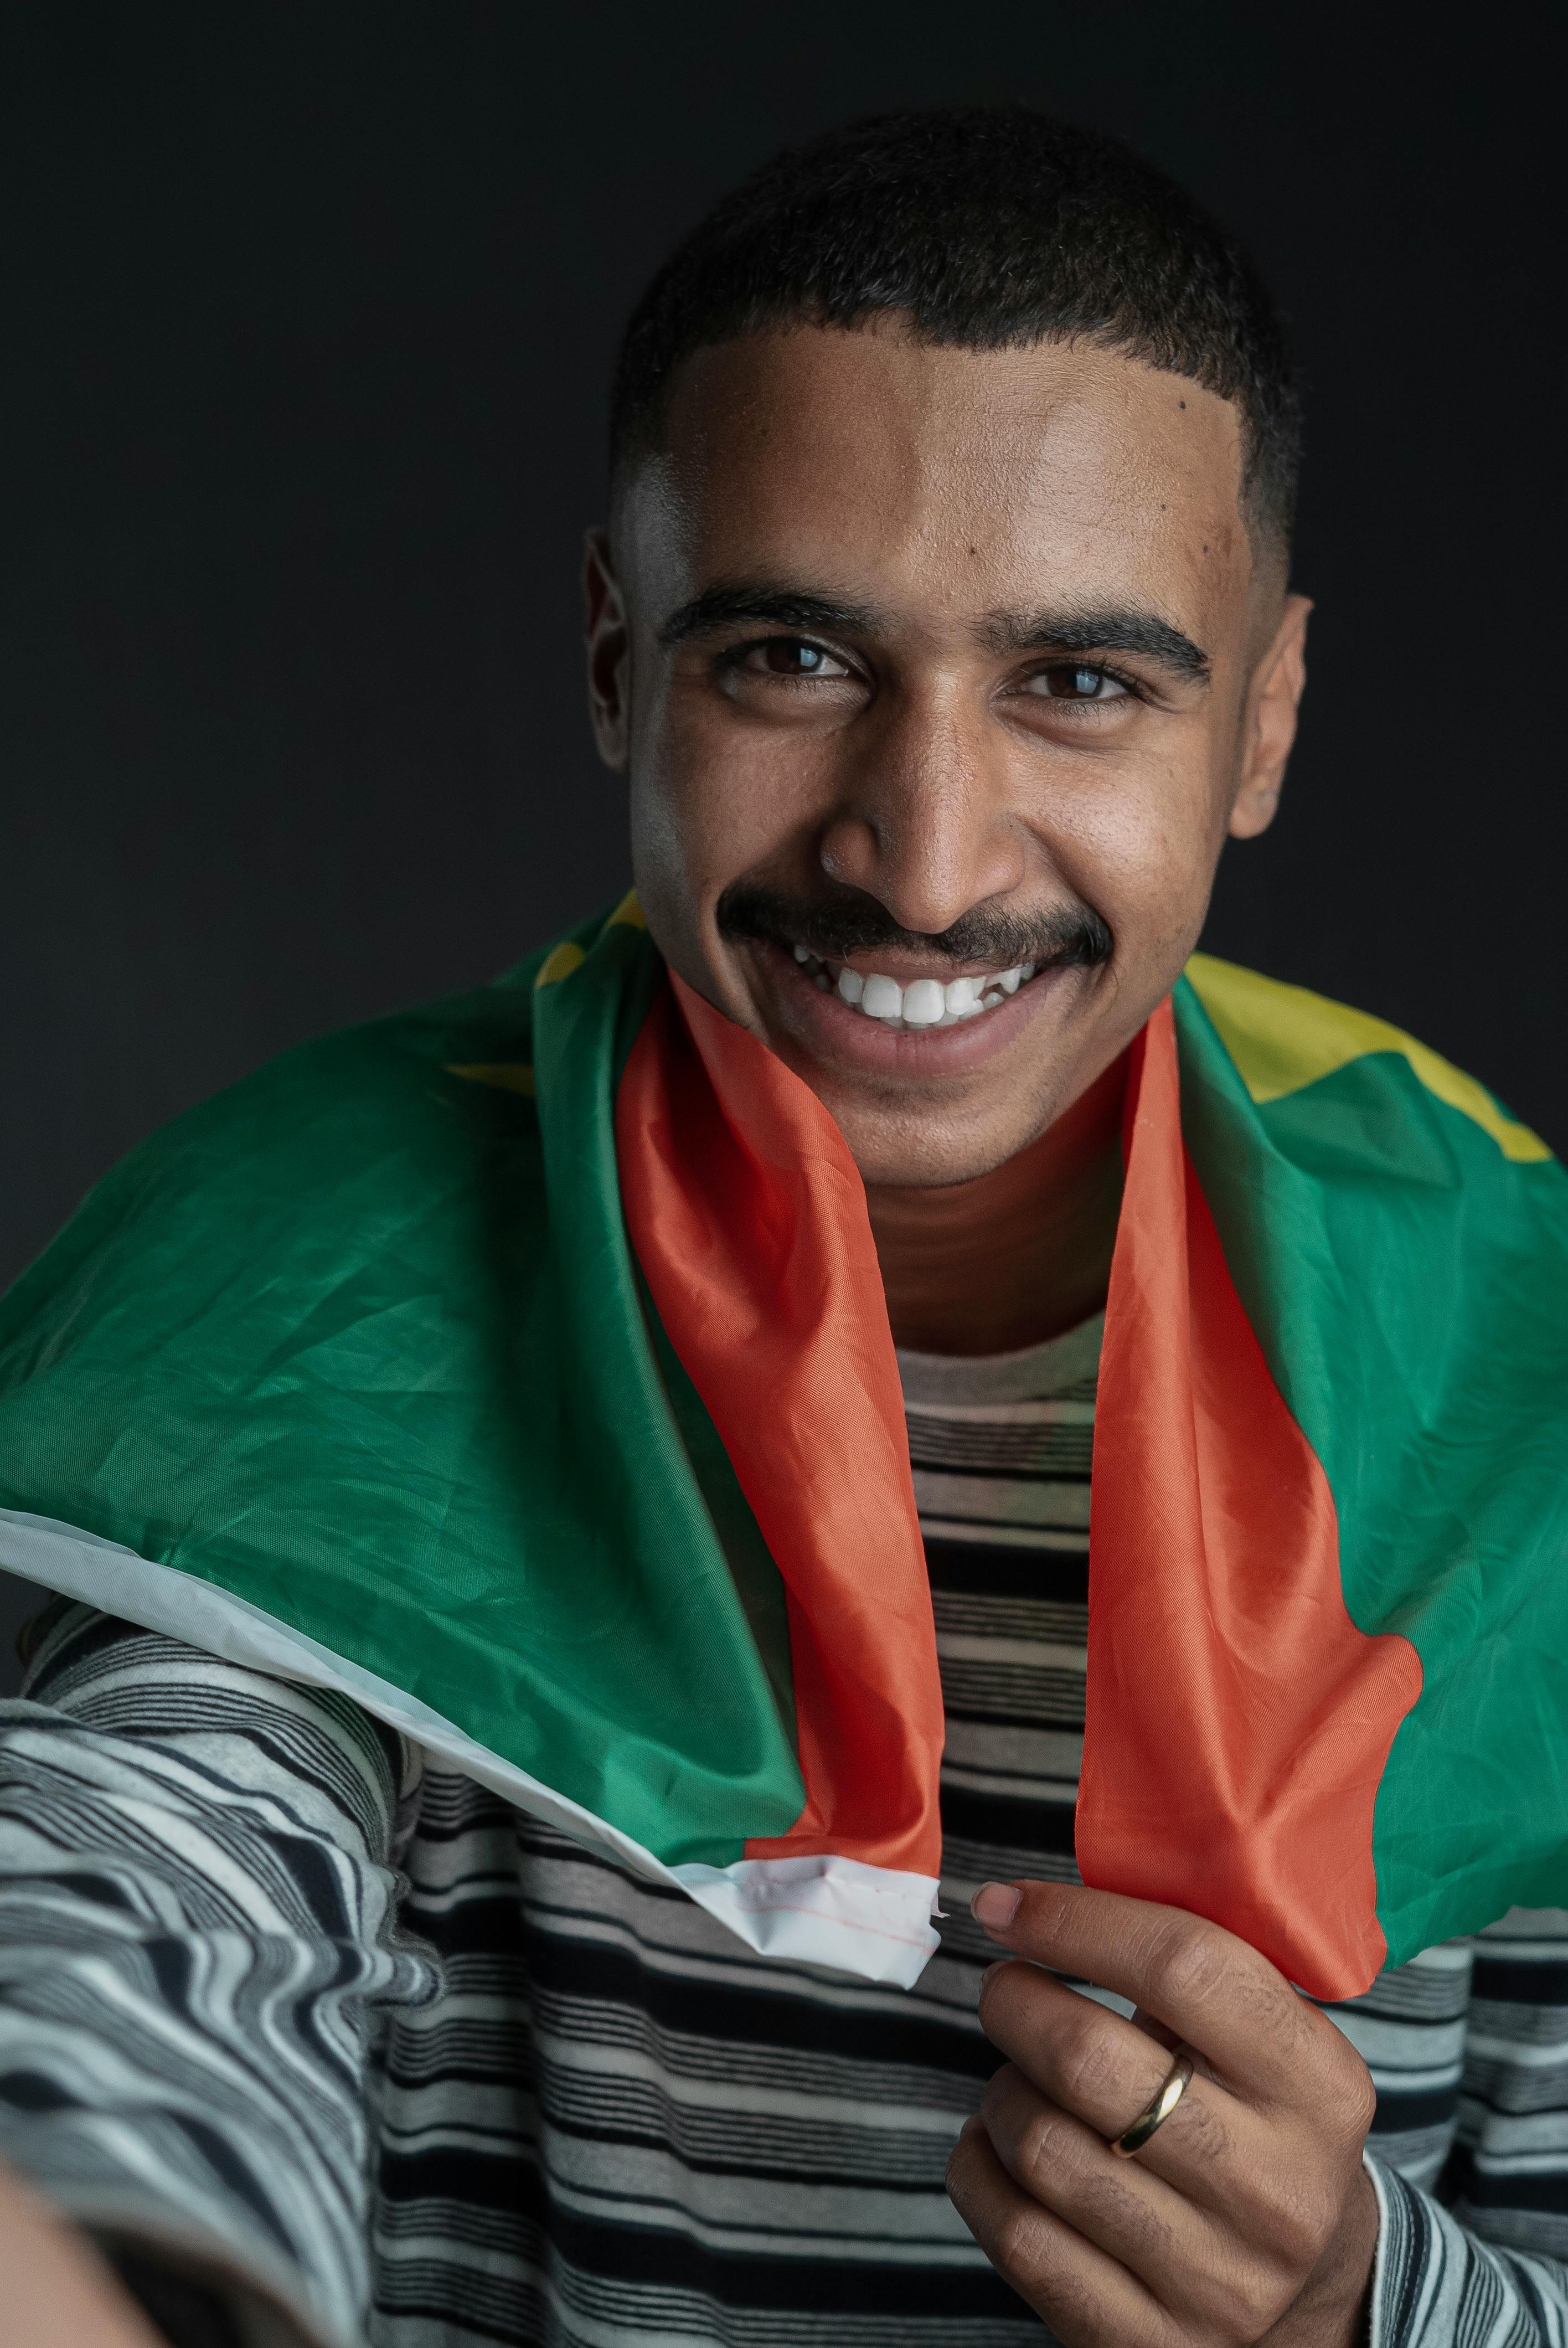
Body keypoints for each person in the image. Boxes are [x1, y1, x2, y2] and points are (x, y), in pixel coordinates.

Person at [2, 103, 1566, 2348]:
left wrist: (1356, 2296)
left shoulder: (1526, 1377)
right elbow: (112, 1956)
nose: (924, 861)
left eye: (1083, 683)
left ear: (1266, 724)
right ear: (616, 657)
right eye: (793, 662)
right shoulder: (298, 1297)